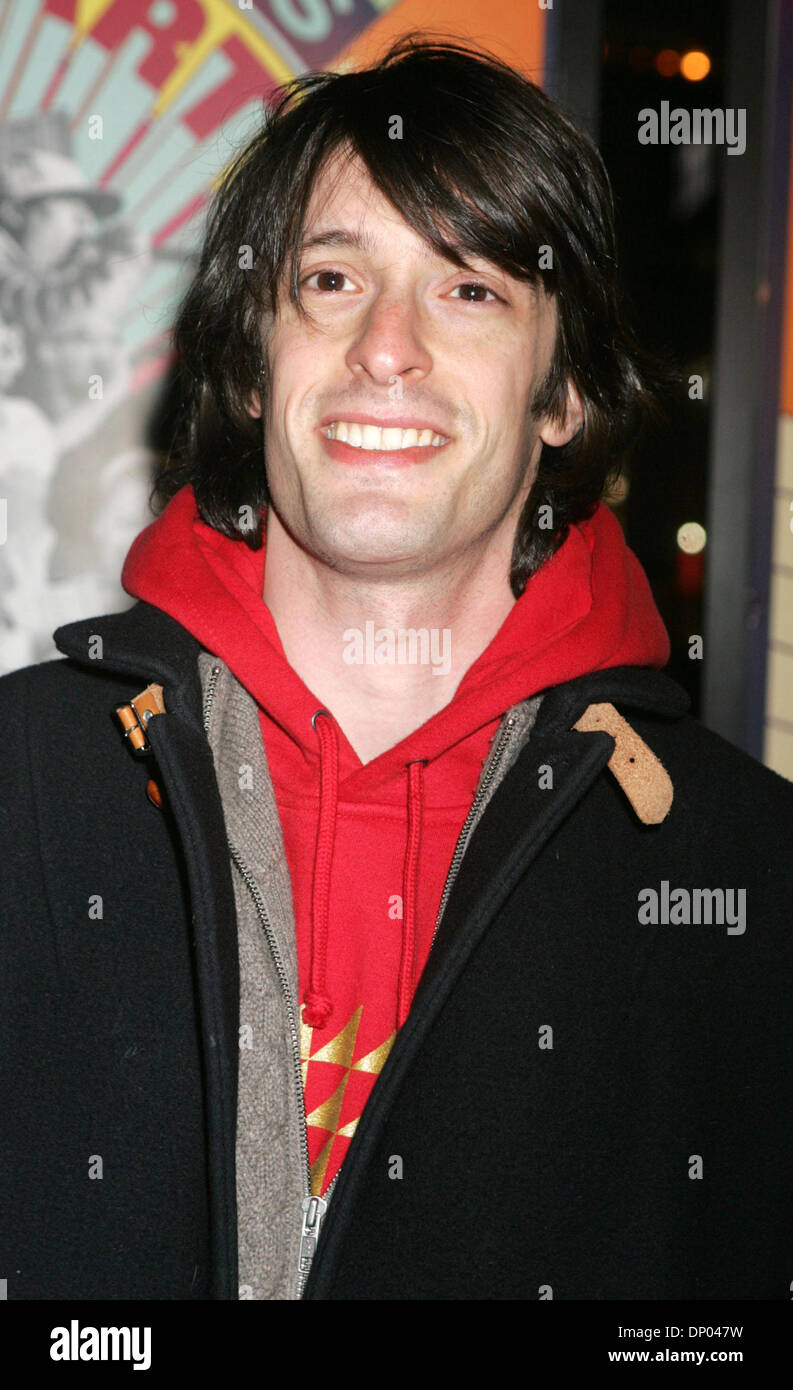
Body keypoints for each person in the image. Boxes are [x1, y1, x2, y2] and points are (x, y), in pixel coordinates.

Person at [1, 35, 791, 1302]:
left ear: (564, 394)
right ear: (253, 366)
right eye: (329, 278)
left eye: (469, 289)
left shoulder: (748, 875)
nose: (386, 348)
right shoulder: (17, 785)